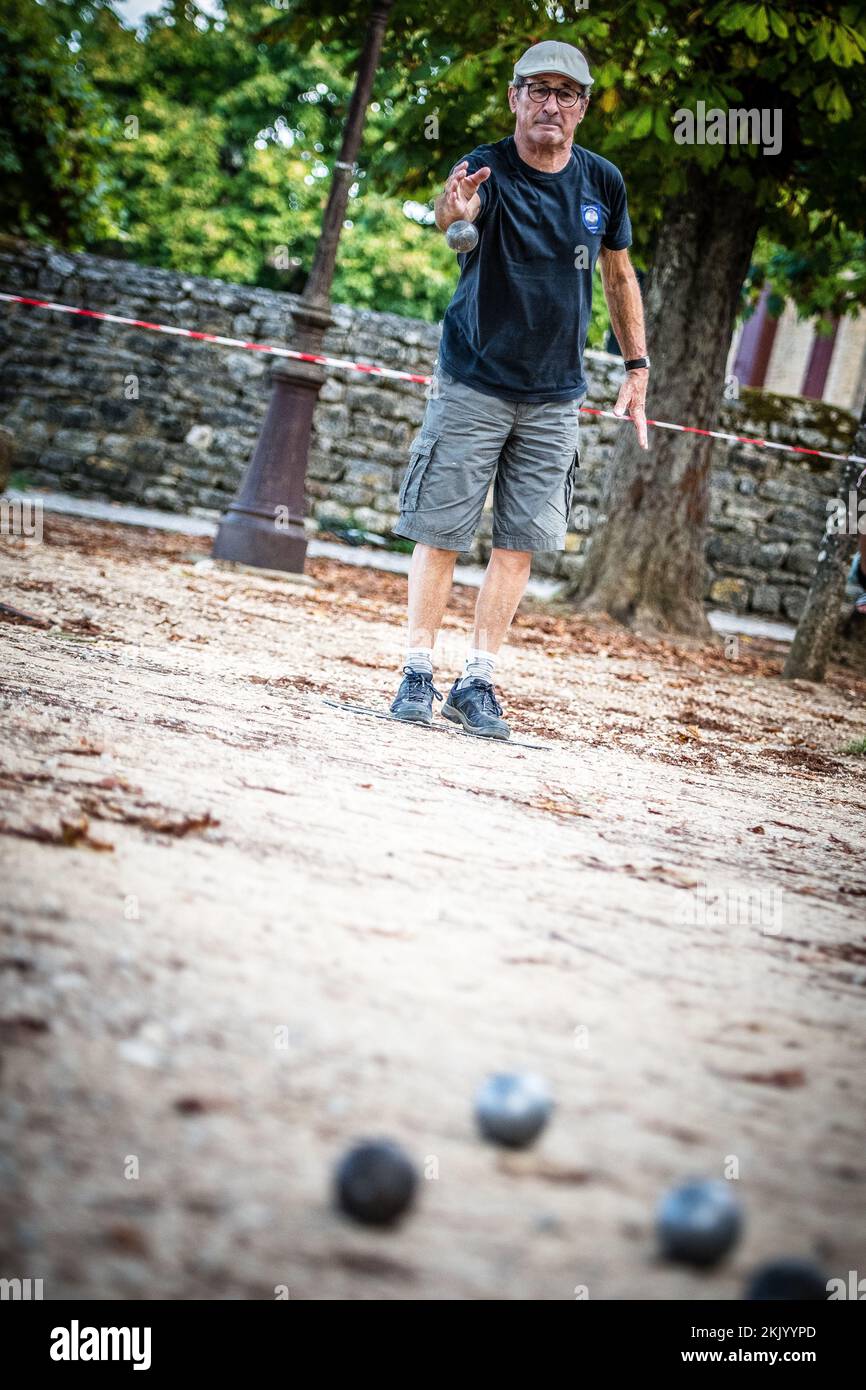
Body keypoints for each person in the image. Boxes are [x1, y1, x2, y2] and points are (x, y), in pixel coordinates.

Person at [389, 39, 649, 739]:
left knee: (519, 542)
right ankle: (416, 670)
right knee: (440, 529)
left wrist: (637, 366)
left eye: (566, 93)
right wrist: (457, 211)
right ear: (515, 98)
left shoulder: (603, 183)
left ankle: (477, 682)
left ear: (584, 108)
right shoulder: (484, 165)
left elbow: (620, 276)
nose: (551, 104)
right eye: (538, 89)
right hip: (474, 377)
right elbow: (454, 220)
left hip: (556, 393)